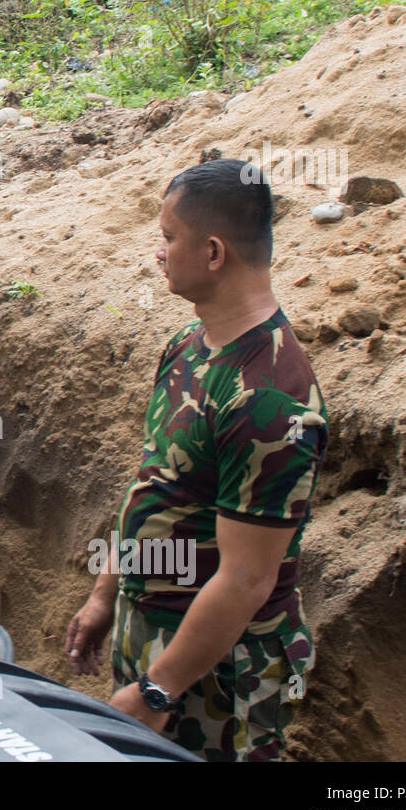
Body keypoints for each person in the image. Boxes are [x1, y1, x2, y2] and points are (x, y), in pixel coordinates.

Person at [65, 158, 328, 762]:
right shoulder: (189, 347)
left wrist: (160, 689)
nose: (158, 252)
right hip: (157, 636)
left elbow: (246, 580)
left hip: (219, 674)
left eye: (167, 237)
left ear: (213, 253)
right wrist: (108, 593)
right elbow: (153, 484)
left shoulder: (268, 399)